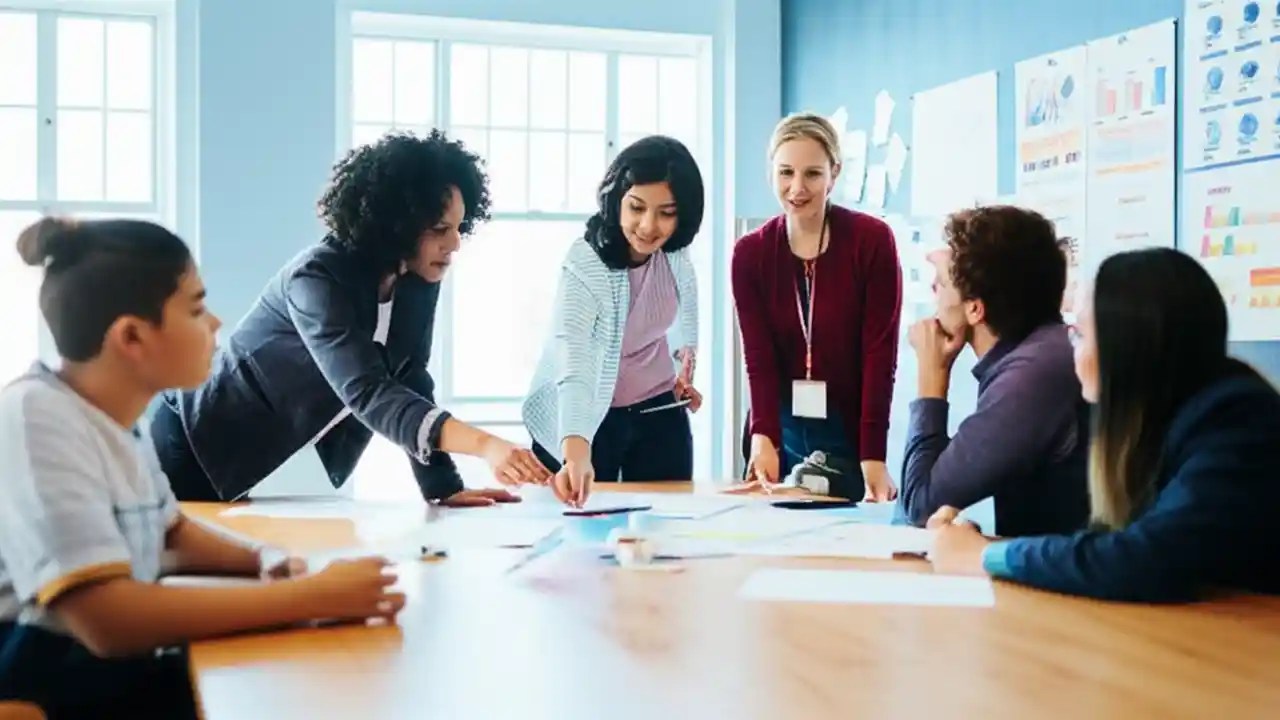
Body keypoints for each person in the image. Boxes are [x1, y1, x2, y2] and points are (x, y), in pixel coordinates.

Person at [0, 218, 407, 718]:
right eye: (195, 307)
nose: (215, 324)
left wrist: (262, 557)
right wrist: (312, 598)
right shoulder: (36, 418)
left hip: (103, 672)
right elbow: (105, 619)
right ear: (131, 336)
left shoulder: (114, 418)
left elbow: (169, 532)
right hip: (41, 686)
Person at [151, 131, 550, 504]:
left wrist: (444, 487)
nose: (455, 243)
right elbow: (367, 390)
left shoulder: (416, 276)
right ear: (397, 223)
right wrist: (485, 445)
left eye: (459, 227)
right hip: (189, 438)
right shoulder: (317, 277)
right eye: (439, 228)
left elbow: (408, 378)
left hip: (243, 455)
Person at [929, 248, 1280, 602]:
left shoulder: (1237, 423)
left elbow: (1147, 559)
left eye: (1078, 334)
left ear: (1125, 346)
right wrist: (985, 550)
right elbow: (1106, 544)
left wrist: (985, 557)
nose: (1071, 351)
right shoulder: (1156, 417)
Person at [523, 136, 704, 508]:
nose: (648, 226)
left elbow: (680, 326)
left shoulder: (676, 258)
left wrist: (683, 372)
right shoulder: (585, 262)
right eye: (636, 207)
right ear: (615, 197)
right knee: (575, 536)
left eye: (666, 213)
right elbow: (574, 355)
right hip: (586, 414)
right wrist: (574, 445)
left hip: (656, 412)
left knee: (666, 529)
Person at [731, 112, 901, 500]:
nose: (797, 188)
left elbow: (880, 353)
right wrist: (763, 435)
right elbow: (758, 358)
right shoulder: (750, 253)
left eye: (812, 174)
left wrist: (873, 453)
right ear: (771, 172)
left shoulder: (872, 241)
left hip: (847, 424)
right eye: (786, 173)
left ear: (834, 173)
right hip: (780, 422)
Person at [899, 206, 1089, 536]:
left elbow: (920, 506)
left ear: (975, 308)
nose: (933, 291)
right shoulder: (1042, 352)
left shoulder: (1033, 374)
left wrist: (932, 376)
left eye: (940, 283)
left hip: (1071, 582)